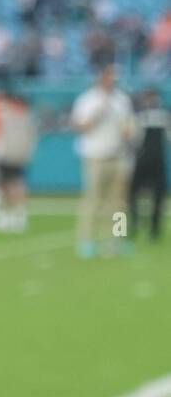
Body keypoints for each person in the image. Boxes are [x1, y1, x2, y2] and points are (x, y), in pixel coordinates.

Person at [70, 64, 136, 259]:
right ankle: (87, 240)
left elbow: (128, 126)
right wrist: (99, 113)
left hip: (118, 154)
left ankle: (115, 241)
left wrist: (128, 132)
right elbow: (80, 126)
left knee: (119, 203)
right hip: (95, 155)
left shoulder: (122, 99)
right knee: (93, 200)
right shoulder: (88, 99)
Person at [0, 86, 38, 233]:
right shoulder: (24, 115)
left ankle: (11, 214)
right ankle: (16, 214)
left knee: (8, 185)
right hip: (17, 154)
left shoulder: (5, 113)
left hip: (7, 154)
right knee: (14, 184)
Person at [129, 88, 168, 242]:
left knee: (157, 198)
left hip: (156, 162)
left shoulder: (163, 117)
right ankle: (131, 226)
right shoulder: (139, 117)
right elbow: (133, 139)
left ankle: (154, 229)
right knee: (132, 197)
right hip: (142, 162)